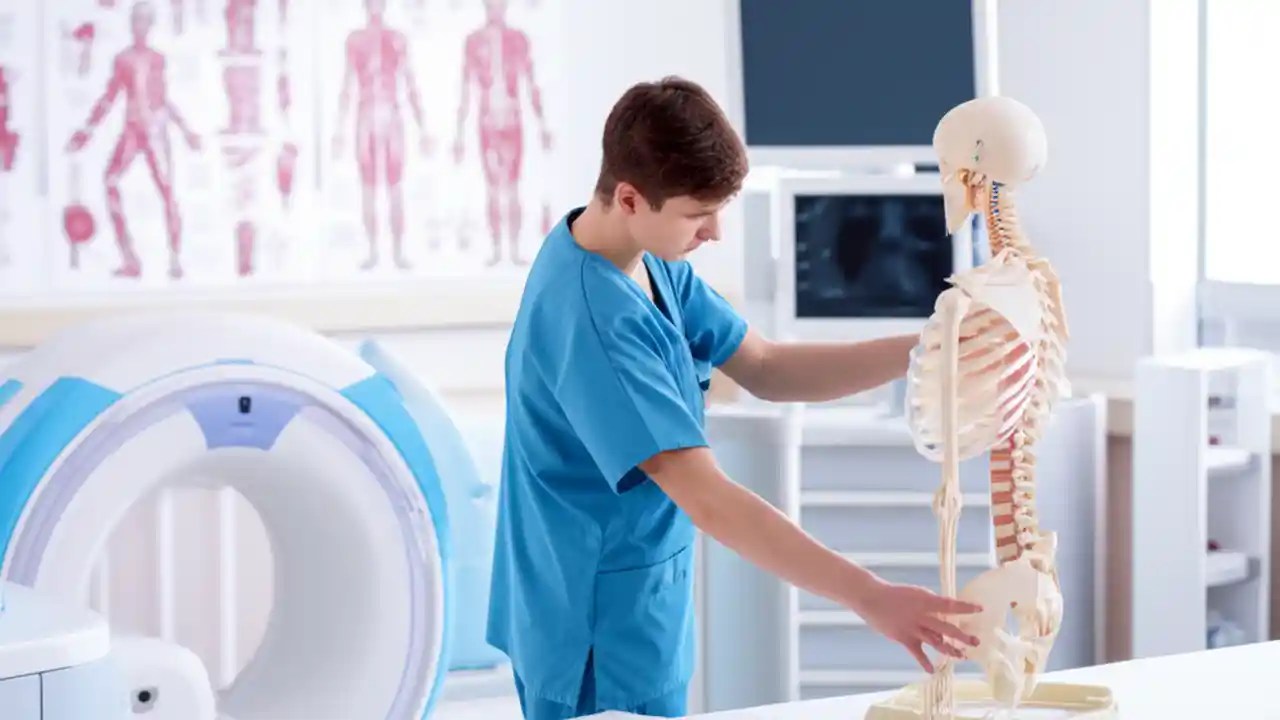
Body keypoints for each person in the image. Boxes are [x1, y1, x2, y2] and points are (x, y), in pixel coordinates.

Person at [487, 76, 982, 720]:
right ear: (631, 198)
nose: (715, 232)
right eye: (699, 214)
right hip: (590, 630)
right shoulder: (593, 321)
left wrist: (931, 346)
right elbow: (711, 500)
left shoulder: (649, 261)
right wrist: (870, 596)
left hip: (638, 598)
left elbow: (768, 367)